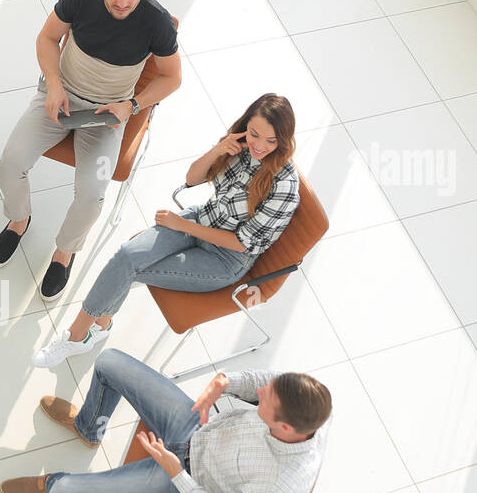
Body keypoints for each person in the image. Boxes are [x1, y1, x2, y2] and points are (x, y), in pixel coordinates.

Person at [31, 93, 301, 368]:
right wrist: (219, 149)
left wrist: (183, 225)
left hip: (225, 258)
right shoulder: (240, 146)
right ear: (246, 126)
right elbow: (192, 178)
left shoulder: (285, 187)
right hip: (202, 219)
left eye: (272, 140)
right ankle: (99, 325)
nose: (260, 146)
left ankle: (77, 335)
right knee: (127, 254)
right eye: (254, 134)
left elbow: (242, 243)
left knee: (129, 267)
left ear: (284, 139)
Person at [0, 0, 182, 302]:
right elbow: (47, 37)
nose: (122, 2)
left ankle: (64, 251)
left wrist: (132, 104)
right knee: (10, 162)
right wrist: (54, 85)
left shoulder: (157, 20)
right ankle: (19, 220)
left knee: (92, 195)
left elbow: (172, 78)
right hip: (59, 99)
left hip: (107, 115)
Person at [0, 349, 331, 493]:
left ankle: (51, 486)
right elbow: (266, 379)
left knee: (63, 492)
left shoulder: (275, 490)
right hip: (197, 430)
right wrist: (227, 382)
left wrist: (176, 473)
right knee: (109, 362)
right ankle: (89, 428)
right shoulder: (307, 403)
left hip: (188, 487)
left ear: (285, 428)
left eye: (265, 399)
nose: (259, 391)